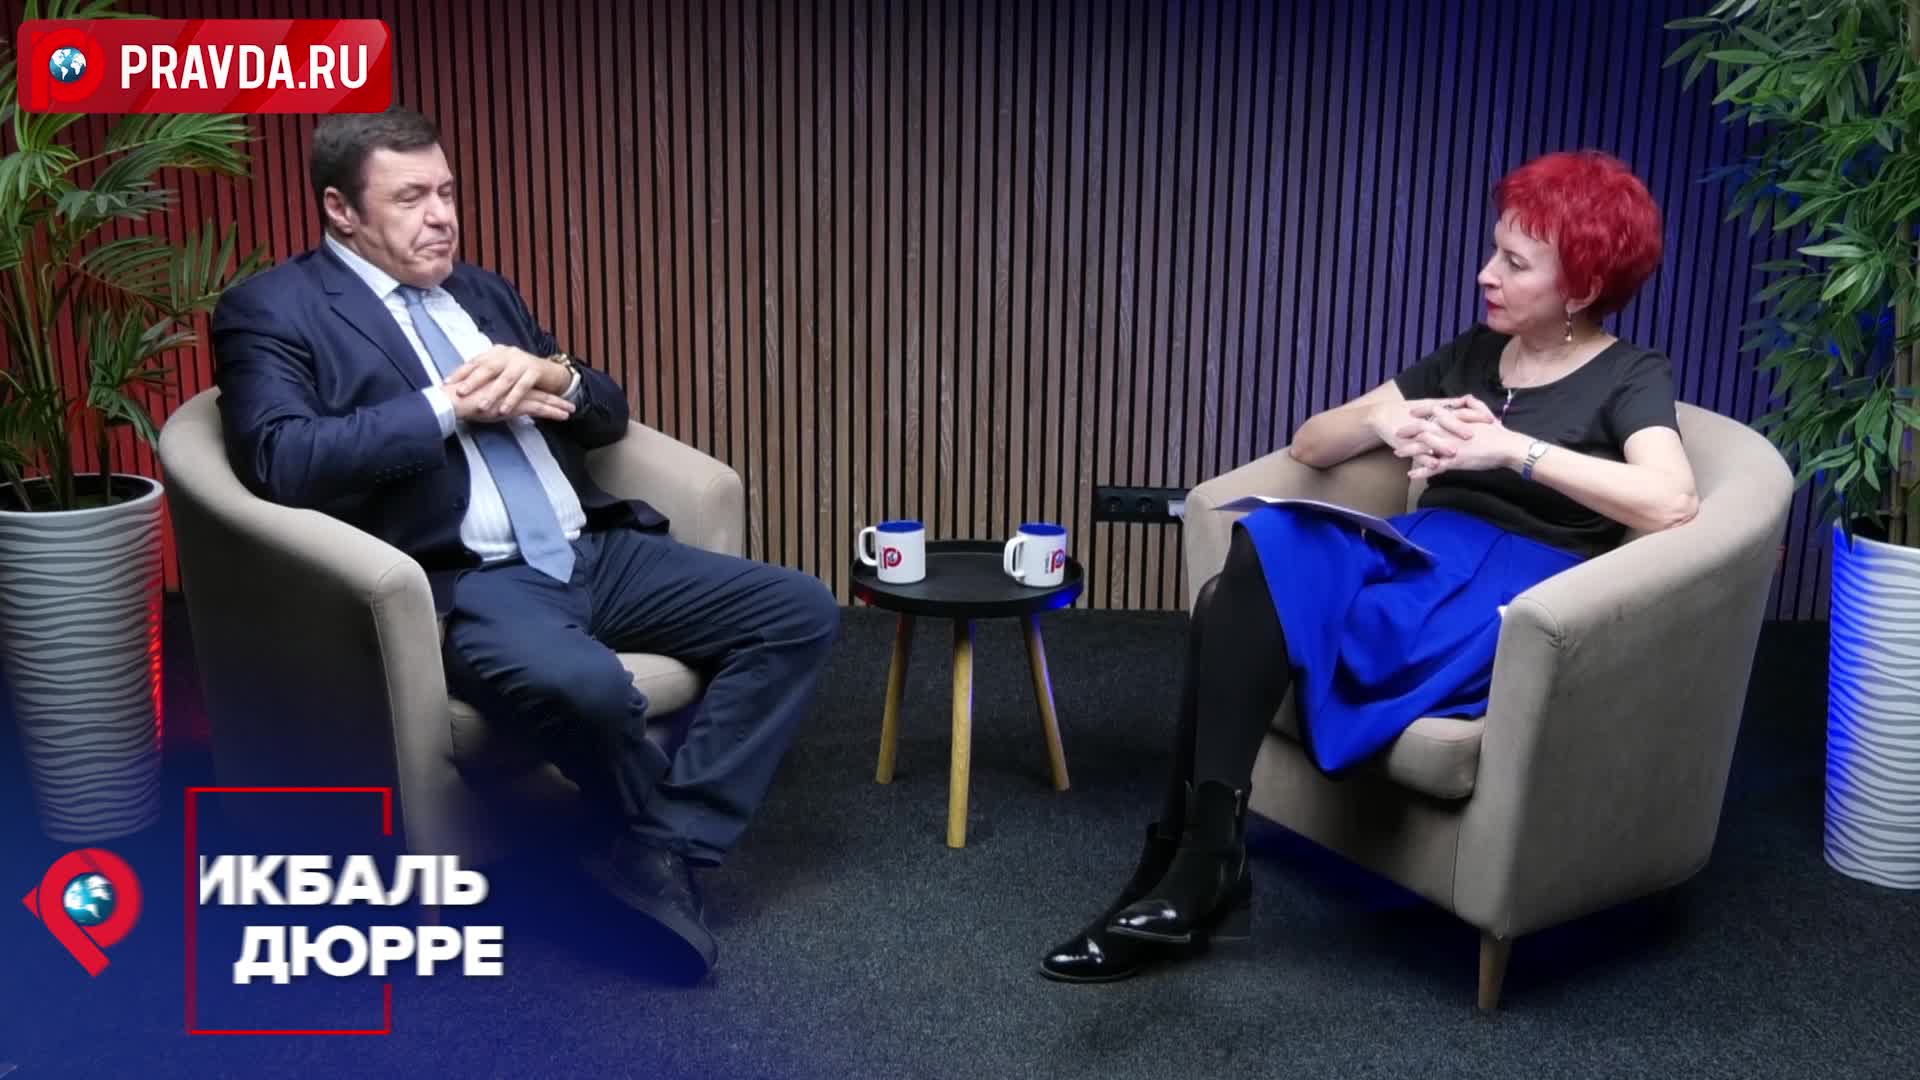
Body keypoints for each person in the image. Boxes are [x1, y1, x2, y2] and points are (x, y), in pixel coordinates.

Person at [211, 106, 840, 981]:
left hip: (594, 548)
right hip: (473, 574)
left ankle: (658, 847)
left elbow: (607, 415)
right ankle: (664, 845)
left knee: (798, 609)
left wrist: (559, 377)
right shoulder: (274, 309)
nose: (442, 216)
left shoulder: (482, 292)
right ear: (341, 210)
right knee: (591, 690)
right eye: (411, 198)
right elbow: (281, 459)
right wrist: (446, 407)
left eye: (447, 192)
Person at [1039, 149, 1699, 983]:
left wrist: (1512, 450)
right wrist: (1386, 423)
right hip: (1421, 553)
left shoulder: (1630, 374)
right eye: (1494, 250)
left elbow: (1672, 500)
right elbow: (1311, 445)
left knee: (1219, 606)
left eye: (1514, 262)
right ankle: (1203, 862)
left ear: (1581, 287)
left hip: (1515, 592)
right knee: (1270, 540)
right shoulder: (1476, 352)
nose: (1485, 273)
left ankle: (1184, 862)